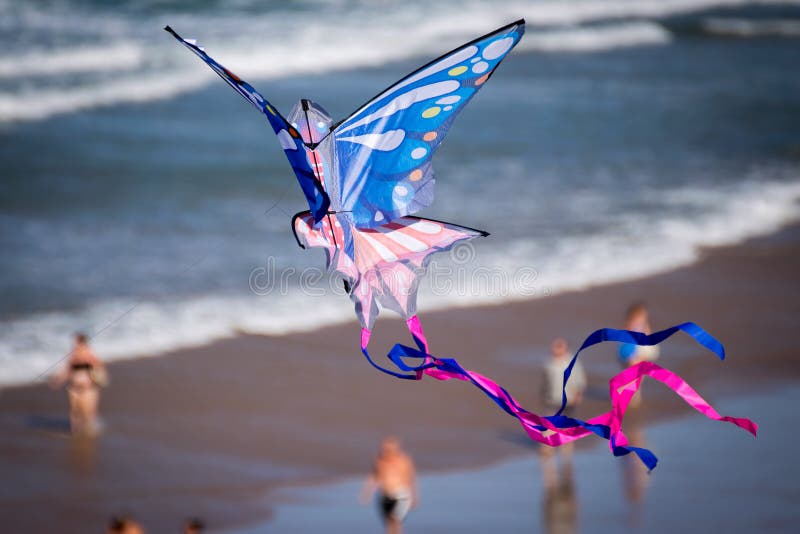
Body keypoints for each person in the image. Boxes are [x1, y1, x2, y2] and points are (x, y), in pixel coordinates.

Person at [539, 338, 587, 491]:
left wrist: (578, 393)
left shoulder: (572, 363)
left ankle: (567, 447)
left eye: (559, 347)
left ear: (565, 349)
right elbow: (545, 381)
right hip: (552, 399)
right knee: (550, 423)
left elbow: (580, 380)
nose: (556, 350)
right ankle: (547, 447)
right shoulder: (548, 364)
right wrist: (543, 394)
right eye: (554, 347)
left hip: (569, 400)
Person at [51, 333, 108, 435]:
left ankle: (88, 432)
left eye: (76, 342)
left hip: (89, 389)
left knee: (88, 412)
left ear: (82, 343)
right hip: (74, 387)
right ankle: (74, 432)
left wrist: (99, 380)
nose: (74, 345)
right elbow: (67, 370)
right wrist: (58, 381)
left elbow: (100, 370)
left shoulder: (90, 355)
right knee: (74, 411)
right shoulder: (72, 356)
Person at [360, 436, 419, 534]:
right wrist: (367, 493)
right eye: (385, 449)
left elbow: (411, 479)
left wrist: (414, 497)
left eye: (390, 449)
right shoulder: (379, 461)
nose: (387, 452)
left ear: (397, 449)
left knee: (396, 521)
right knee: (388, 523)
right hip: (384, 495)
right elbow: (374, 477)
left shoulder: (404, 461)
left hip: (401, 495)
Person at [618, 302, 659, 408]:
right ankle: (627, 392)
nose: (642, 319)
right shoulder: (630, 324)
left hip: (641, 351)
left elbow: (648, 337)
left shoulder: (644, 325)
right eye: (640, 316)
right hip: (630, 350)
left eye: (643, 317)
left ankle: (634, 394)